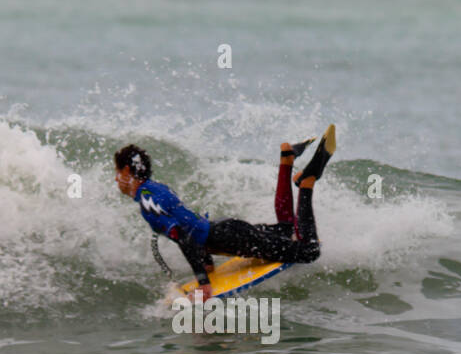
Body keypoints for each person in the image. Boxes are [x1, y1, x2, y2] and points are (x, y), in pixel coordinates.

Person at [114, 125, 336, 298]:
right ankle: (287, 160)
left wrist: (204, 284)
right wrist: (207, 263)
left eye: (117, 173)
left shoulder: (148, 202)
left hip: (232, 238)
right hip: (227, 231)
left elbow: (185, 236)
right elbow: (190, 224)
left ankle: (306, 183)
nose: (116, 180)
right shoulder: (156, 189)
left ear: (126, 170)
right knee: (287, 229)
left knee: (310, 251)